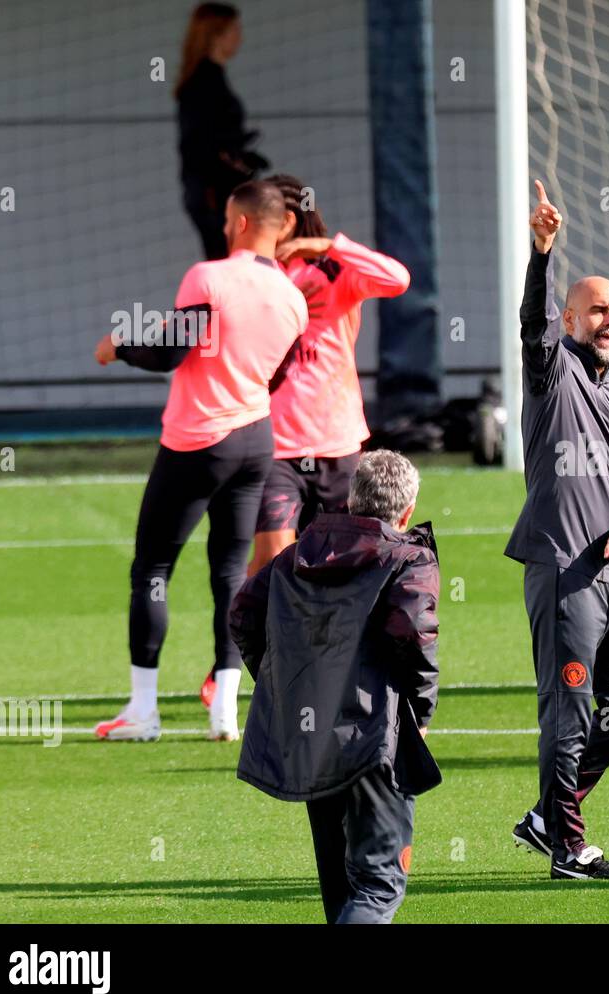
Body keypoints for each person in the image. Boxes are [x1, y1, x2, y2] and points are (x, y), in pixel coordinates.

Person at [92, 180, 307, 743]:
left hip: (198, 441)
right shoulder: (291, 296)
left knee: (153, 570)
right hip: (256, 439)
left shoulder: (208, 276)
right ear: (280, 226)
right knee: (231, 575)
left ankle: (142, 711)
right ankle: (226, 713)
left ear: (238, 222)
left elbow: (172, 349)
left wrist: (121, 345)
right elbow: (276, 372)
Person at [196, 176, 412, 707]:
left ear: (287, 222)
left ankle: (338, 664)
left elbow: (398, 279)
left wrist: (331, 244)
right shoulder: (252, 279)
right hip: (275, 445)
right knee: (274, 563)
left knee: (347, 569)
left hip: (339, 443)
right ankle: (247, 665)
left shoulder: (335, 271)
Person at [506, 181, 609, 880]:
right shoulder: (553, 372)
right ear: (570, 316)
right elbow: (531, 324)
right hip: (562, 572)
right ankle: (569, 846)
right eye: (598, 308)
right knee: (567, 713)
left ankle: (545, 815)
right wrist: (542, 254)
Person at [230, 450, 440, 923]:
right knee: (378, 883)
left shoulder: (297, 553)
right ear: (406, 512)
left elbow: (241, 611)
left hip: (310, 734)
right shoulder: (407, 559)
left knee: (342, 887)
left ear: (350, 500)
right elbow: (413, 631)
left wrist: (283, 681)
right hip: (372, 735)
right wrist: (422, 713)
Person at [174, 3, 268, 260]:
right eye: (234, 30)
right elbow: (197, 145)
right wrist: (230, 158)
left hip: (223, 193)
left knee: (235, 262)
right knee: (226, 264)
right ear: (216, 35)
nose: (240, 37)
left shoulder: (212, 78)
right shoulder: (201, 84)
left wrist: (240, 155)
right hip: (213, 196)